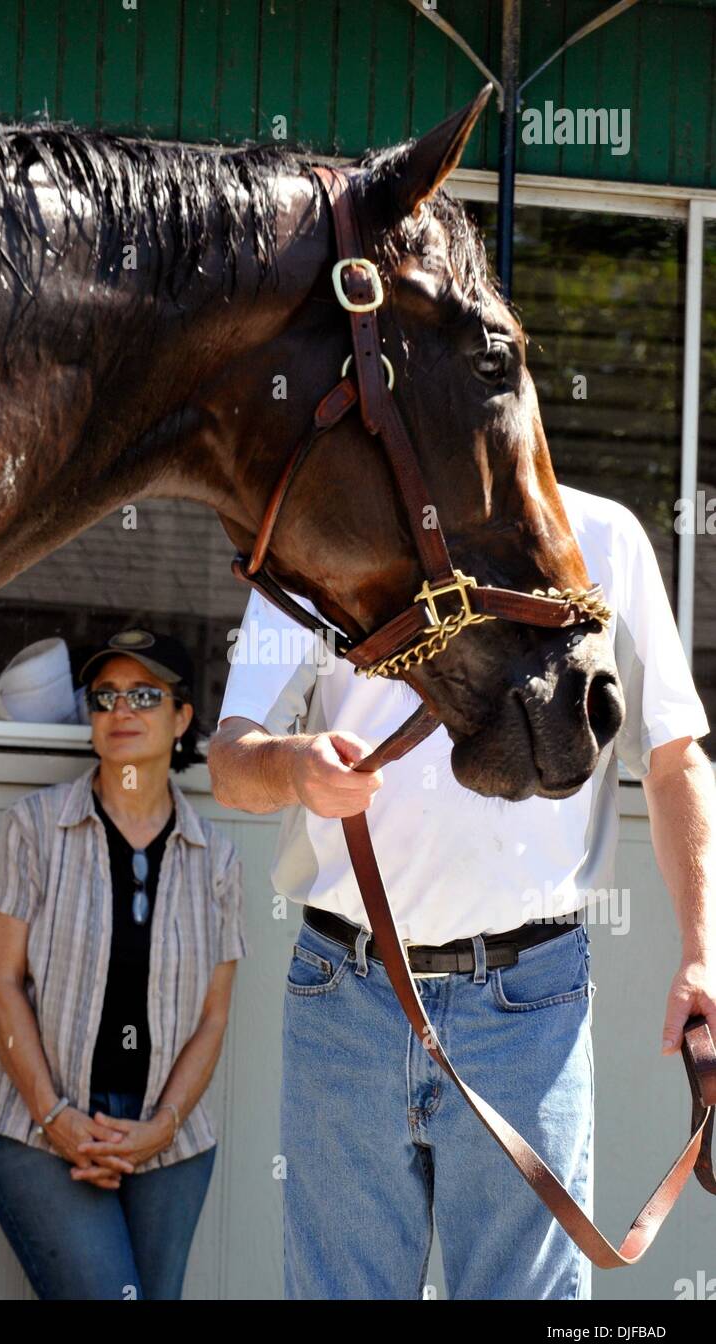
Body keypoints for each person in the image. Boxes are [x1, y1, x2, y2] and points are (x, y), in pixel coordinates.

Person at [208, 483, 716, 1301]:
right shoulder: (317, 534)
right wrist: (291, 766)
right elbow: (233, 759)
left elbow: (673, 760)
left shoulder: (601, 538)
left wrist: (702, 954)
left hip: (529, 1005)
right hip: (345, 997)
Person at [0, 626, 247, 1300]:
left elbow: (213, 1019)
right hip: (33, 1127)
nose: (121, 711)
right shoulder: (32, 828)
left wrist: (160, 1128)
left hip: (169, 1142)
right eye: (105, 697)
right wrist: (56, 1118)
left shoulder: (217, 858)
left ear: (182, 718)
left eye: (144, 695)